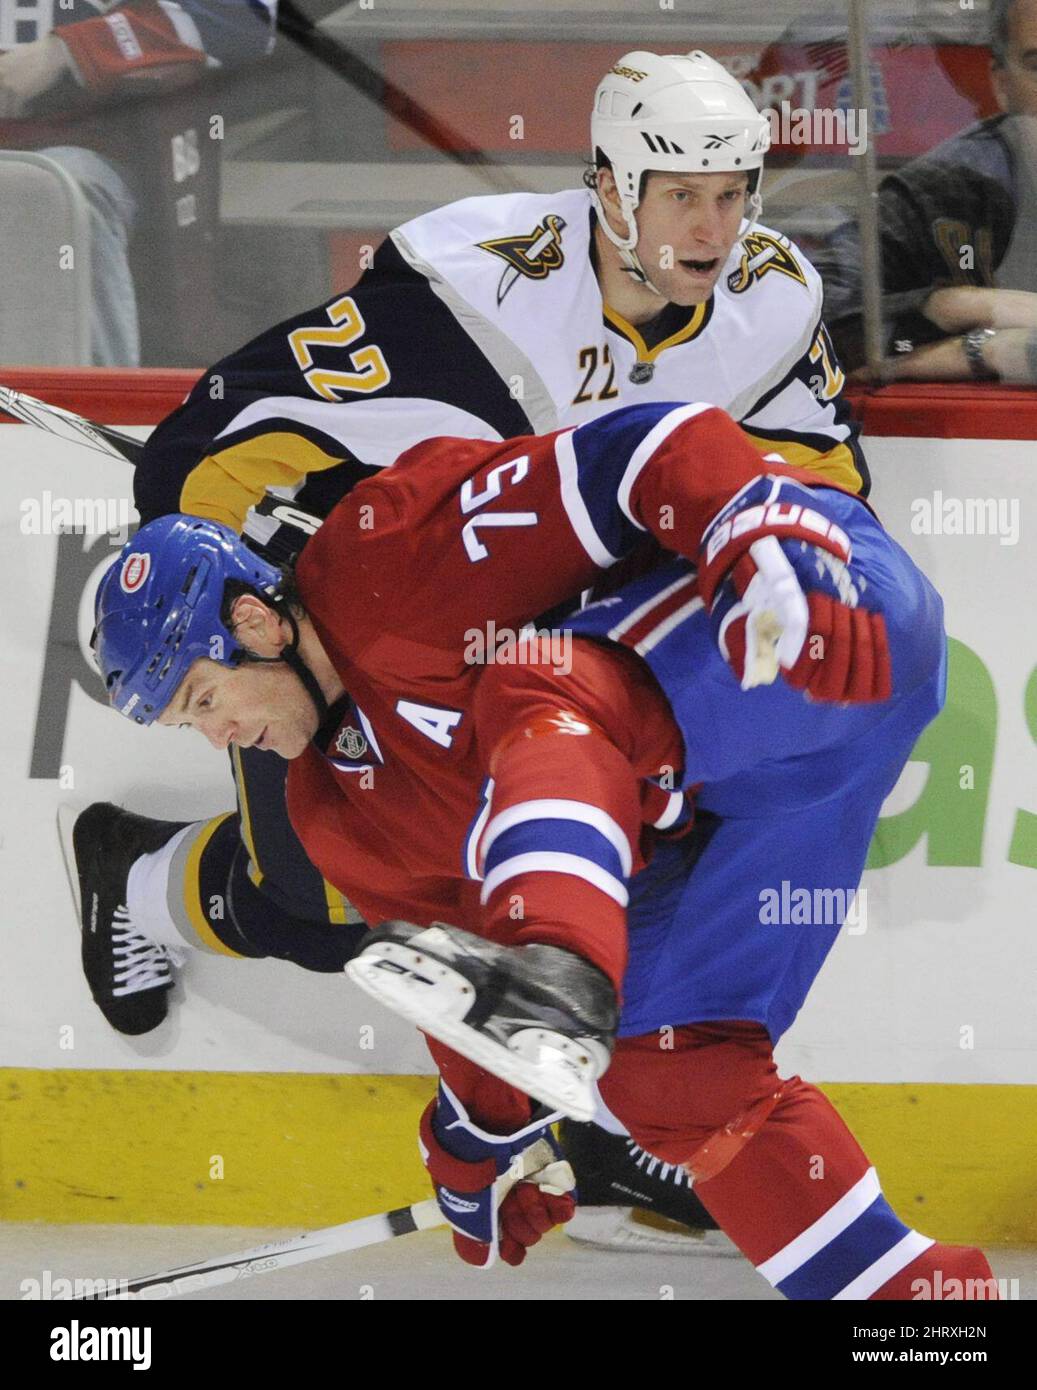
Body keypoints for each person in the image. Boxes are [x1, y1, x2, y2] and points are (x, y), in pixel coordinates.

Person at [68, 48, 862, 1248]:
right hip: (393, 618)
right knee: (335, 901)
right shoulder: (470, 298)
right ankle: (135, 874)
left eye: (733, 189)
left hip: (572, 647)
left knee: (621, 871)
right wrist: (289, 581)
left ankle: (601, 1125)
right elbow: (199, 450)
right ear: (608, 187)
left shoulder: (772, 299)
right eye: (679, 193)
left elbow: (828, 478)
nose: (712, 226)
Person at [89, 397, 997, 1297]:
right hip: (779, 784)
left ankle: (563, 960)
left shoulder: (386, 552)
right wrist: (480, 1142)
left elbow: (650, 447)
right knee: (674, 1077)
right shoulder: (336, 814)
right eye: (187, 724)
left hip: (803, 613)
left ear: (255, 624)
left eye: (206, 699)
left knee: (538, 685)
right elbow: (465, 983)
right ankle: (930, 1320)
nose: (218, 738)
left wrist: (751, 531)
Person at [0, 0, 276, 365]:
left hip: (90, 147)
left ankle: (96, 407)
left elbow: (242, 20)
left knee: (57, 193)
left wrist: (66, 49)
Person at [815, 0, 1037, 384]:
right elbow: (812, 327)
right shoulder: (947, 188)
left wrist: (994, 350)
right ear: (1002, 85)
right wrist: (961, 311)